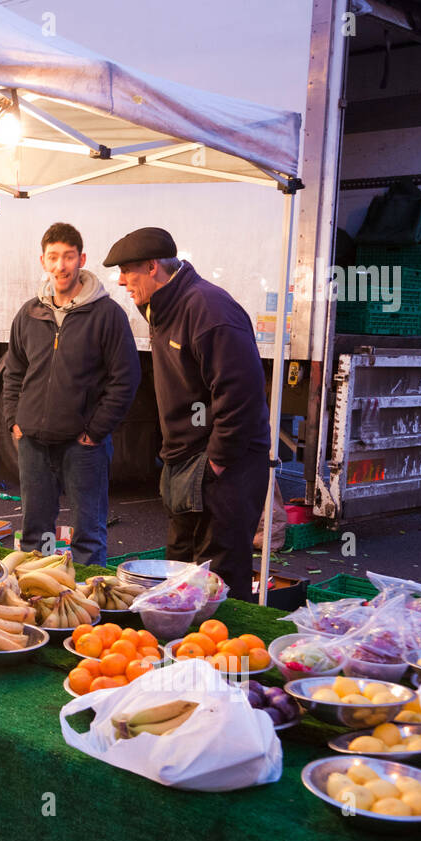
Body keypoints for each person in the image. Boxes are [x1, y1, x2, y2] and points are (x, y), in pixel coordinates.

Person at [104, 226, 271, 601]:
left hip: (225, 466)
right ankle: (181, 652)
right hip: (185, 460)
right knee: (178, 572)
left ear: (152, 268)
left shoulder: (208, 308)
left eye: (127, 271)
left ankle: (227, 656)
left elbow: (240, 394)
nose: (120, 281)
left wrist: (217, 462)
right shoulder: (163, 307)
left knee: (217, 577)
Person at [0, 222, 140, 566]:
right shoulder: (30, 313)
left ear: (82, 259)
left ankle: (87, 612)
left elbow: (125, 379)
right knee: (37, 536)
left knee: (88, 538)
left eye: (68, 257)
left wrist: (95, 431)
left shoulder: (107, 315)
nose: (61, 265)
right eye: (53, 257)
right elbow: (14, 372)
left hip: (82, 447)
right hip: (33, 443)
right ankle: (39, 598)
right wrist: (14, 422)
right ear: (43, 262)